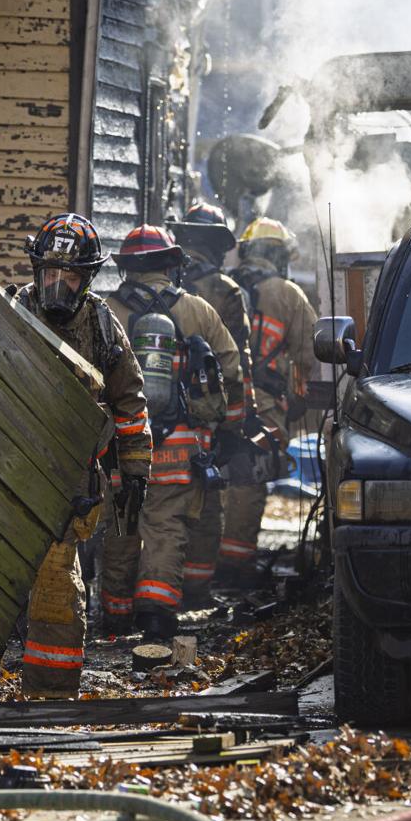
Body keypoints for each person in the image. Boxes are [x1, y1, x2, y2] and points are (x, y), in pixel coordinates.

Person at [10, 213, 151, 696]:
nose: (57, 284)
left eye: (69, 276)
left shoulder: (104, 329)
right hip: (6, 466)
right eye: (50, 272)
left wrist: (135, 472)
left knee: (54, 589)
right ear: (36, 270)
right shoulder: (12, 313)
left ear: (87, 277)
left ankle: (49, 694)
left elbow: (130, 405)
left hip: (68, 483)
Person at [105, 225, 243, 639]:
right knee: (166, 531)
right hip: (179, 449)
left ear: (127, 267)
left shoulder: (106, 310)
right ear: (171, 264)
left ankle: (114, 620)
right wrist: (229, 427)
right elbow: (232, 369)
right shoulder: (198, 310)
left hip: (120, 445)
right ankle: (155, 620)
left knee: (121, 528)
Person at [167, 203, 257, 606]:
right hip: (206, 414)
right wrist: (235, 425)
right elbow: (236, 362)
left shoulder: (160, 285)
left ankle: (149, 589)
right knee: (205, 501)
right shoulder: (224, 290)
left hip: (159, 412)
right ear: (219, 245)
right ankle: (196, 590)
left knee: (158, 505)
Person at [221, 216, 317, 586]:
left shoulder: (221, 285)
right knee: (249, 481)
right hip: (263, 404)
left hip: (219, 400)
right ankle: (234, 567)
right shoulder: (287, 293)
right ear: (279, 256)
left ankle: (204, 562)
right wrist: (297, 397)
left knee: (219, 482)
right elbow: (307, 354)